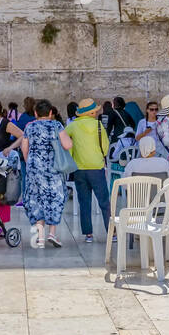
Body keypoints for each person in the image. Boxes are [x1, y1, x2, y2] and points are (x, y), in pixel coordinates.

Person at [22, 99, 72, 247]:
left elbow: (24, 149)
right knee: (54, 198)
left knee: (36, 199)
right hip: (53, 170)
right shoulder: (56, 125)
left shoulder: (29, 127)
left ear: (35, 113)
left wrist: (30, 163)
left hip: (34, 169)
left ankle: (41, 237)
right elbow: (68, 145)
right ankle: (52, 234)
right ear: (51, 113)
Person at [67, 99, 111, 244]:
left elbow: (65, 142)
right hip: (96, 168)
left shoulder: (73, 126)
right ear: (92, 112)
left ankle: (88, 235)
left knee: (84, 202)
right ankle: (112, 232)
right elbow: (105, 148)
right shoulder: (99, 125)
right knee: (104, 201)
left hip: (79, 169)